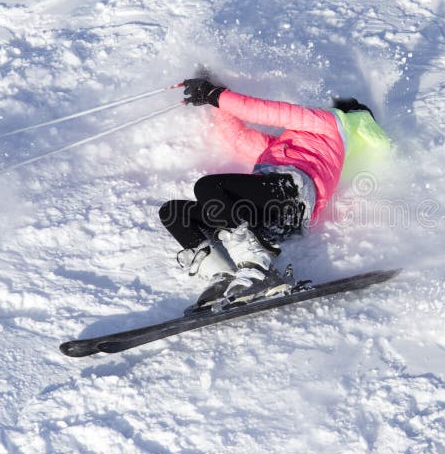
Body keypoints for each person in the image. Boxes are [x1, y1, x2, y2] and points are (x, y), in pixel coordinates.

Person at [159, 77, 391, 310]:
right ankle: (225, 276)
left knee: (208, 187)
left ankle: (257, 269)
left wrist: (215, 94)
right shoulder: (283, 146)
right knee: (174, 213)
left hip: (291, 195)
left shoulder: (329, 122)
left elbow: (268, 112)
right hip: (269, 205)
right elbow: (238, 137)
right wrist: (216, 97)